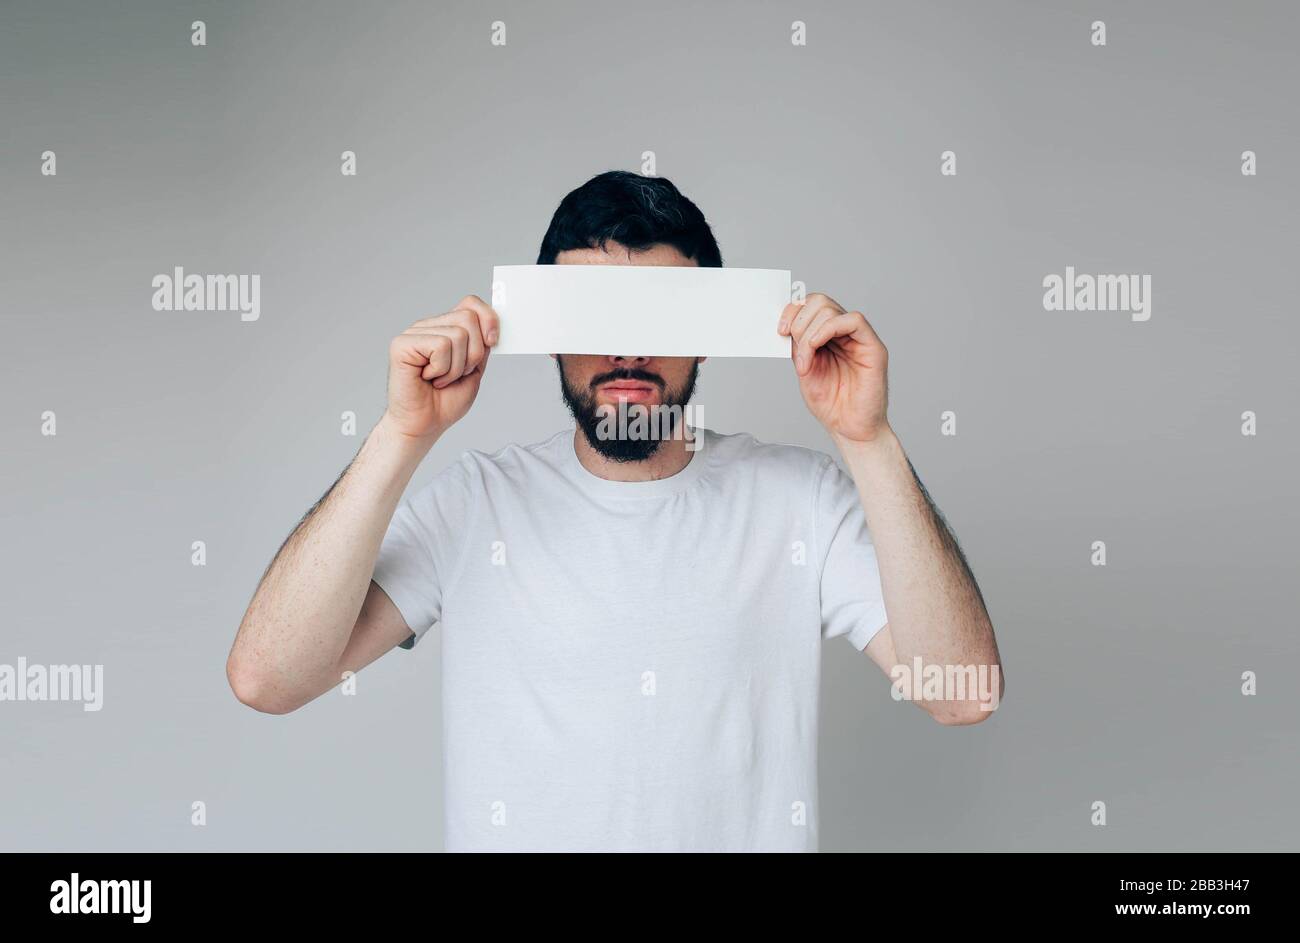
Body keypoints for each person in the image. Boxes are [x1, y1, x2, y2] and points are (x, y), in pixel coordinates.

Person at [227, 170, 1004, 852]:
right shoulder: (476, 504)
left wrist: (865, 439)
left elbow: (963, 692)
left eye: (662, 319)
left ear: (706, 339)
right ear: (550, 337)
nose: (627, 352)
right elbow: (268, 678)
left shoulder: (802, 501)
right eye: (593, 319)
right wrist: (401, 434)